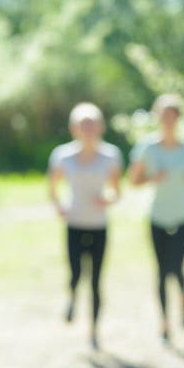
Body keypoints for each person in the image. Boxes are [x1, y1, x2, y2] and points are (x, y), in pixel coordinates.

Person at [48, 102, 122, 350]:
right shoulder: (62, 155)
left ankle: (94, 331)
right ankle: (71, 297)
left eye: (92, 124)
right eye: (83, 124)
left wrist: (108, 199)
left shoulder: (111, 155)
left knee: (96, 280)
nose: (88, 129)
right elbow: (53, 187)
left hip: (99, 225)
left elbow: (116, 191)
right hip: (74, 224)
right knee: (76, 273)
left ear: (100, 127)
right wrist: (59, 206)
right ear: (74, 128)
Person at [129, 93, 184, 344]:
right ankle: (164, 323)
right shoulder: (146, 148)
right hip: (157, 216)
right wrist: (152, 178)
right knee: (160, 271)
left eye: (172, 115)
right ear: (157, 117)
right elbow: (133, 181)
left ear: (178, 118)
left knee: (177, 267)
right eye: (163, 115)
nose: (168, 120)